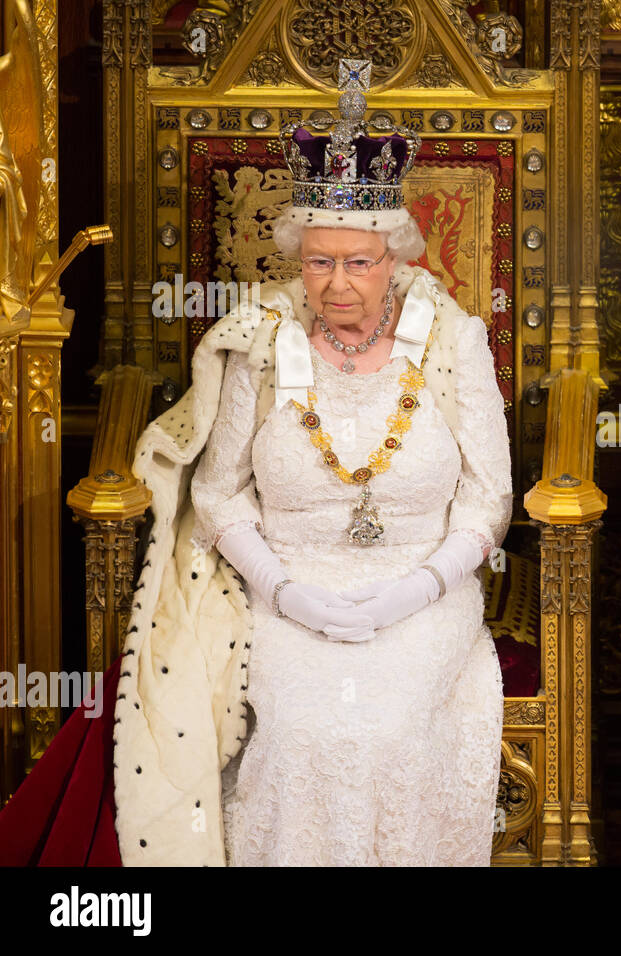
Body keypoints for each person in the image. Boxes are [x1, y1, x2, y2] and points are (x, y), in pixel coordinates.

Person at [0, 59, 512, 866]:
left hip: (422, 597)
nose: (336, 283)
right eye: (318, 261)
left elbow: (488, 502)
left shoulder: (456, 343)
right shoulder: (261, 345)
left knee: (387, 727)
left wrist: (417, 588)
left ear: (397, 258)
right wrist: (285, 589)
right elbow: (219, 495)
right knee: (305, 729)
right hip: (283, 598)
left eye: (358, 262)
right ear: (296, 259)